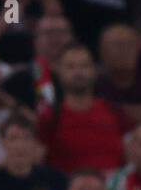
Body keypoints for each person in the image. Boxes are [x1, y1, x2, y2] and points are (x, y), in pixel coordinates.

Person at [36, 42, 125, 175]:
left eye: (84, 65)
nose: (78, 72)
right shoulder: (49, 118)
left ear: (94, 70)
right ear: (59, 71)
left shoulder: (114, 112)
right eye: (70, 67)